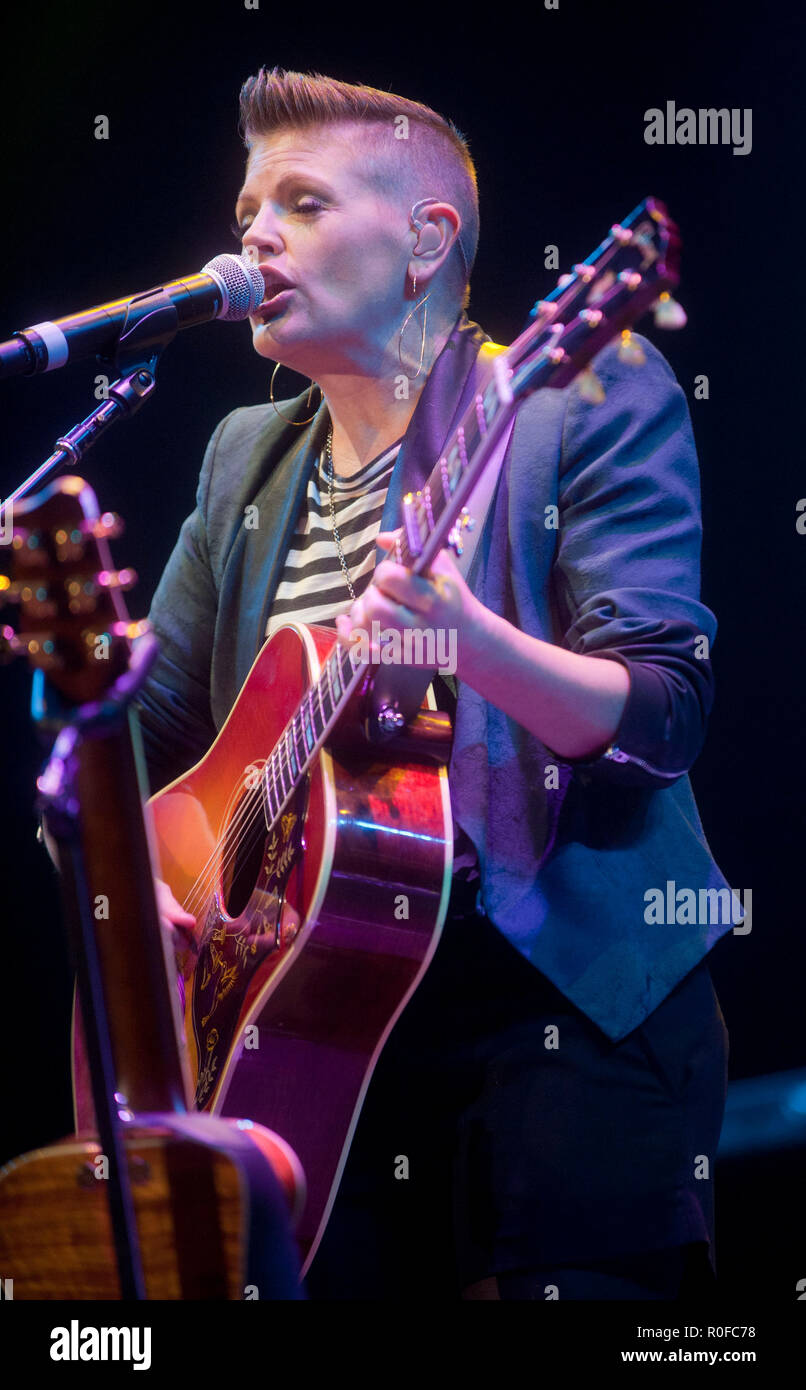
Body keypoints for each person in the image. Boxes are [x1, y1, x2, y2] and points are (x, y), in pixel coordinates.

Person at [136, 67, 734, 1300]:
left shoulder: (578, 393)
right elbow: (146, 738)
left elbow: (662, 711)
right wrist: (143, 889)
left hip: (556, 1012)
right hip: (321, 1033)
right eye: (249, 206)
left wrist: (471, 639)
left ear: (427, 239)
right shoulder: (244, 456)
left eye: (301, 202)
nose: (254, 234)